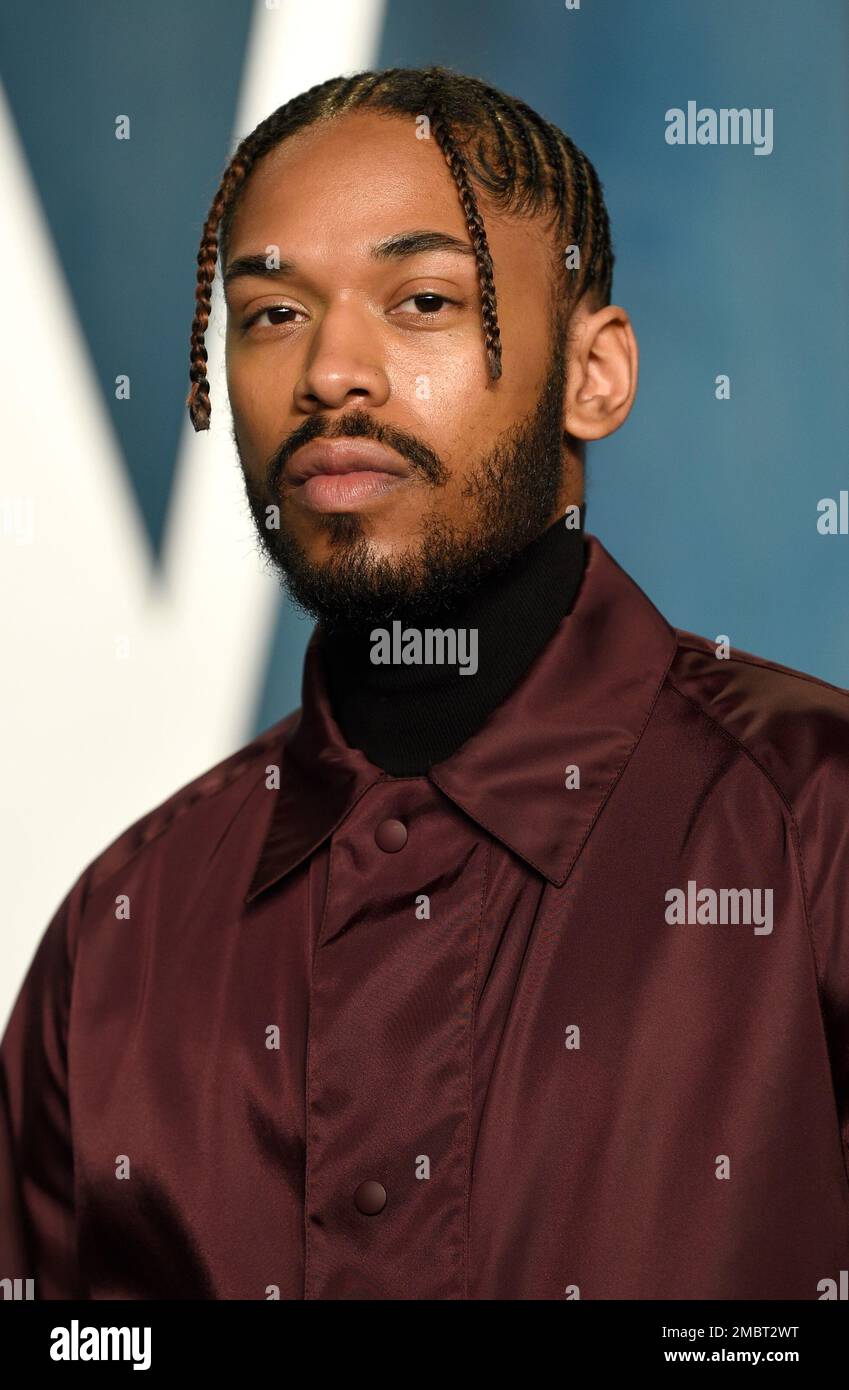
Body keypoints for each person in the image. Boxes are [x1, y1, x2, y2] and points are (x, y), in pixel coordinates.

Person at [2, 66, 848, 1301]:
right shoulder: (123, 930)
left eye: (423, 299)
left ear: (594, 376)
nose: (333, 370)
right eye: (273, 314)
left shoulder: (814, 819)